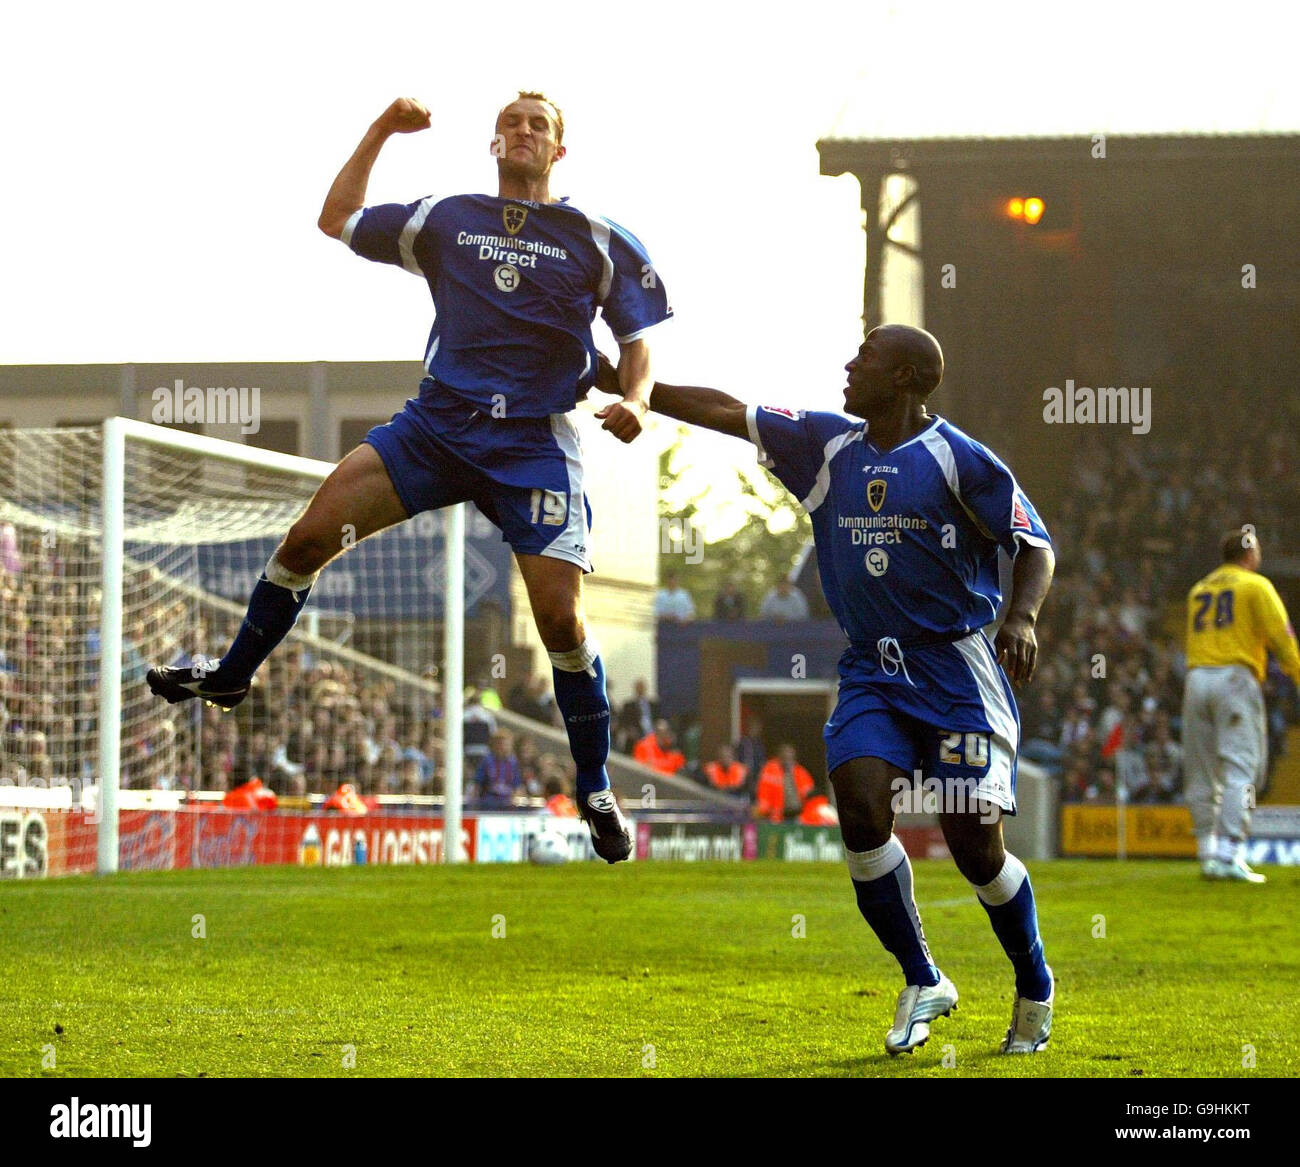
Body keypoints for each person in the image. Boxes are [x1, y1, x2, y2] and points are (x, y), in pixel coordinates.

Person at [147, 92, 672, 863]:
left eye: (540, 125)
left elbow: (637, 336)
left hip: (534, 443)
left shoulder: (596, 238)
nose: (523, 131)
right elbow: (337, 218)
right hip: (438, 427)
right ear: (493, 141)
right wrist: (381, 130)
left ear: (559, 151)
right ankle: (231, 675)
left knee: (560, 621)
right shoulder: (446, 218)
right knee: (306, 538)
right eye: (512, 121)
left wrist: (637, 399)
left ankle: (594, 783)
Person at [601, 324, 1056, 1055]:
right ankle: (922, 975)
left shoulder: (960, 459)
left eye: (867, 357)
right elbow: (728, 412)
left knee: (975, 850)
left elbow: (1034, 542)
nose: (850, 365)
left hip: (955, 669)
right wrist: (628, 385)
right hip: (872, 669)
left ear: (905, 376)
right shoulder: (825, 443)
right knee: (861, 803)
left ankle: (1033, 980)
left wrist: (1023, 615)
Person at [1182, 527, 1300, 882]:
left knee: (1201, 771)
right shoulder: (1255, 585)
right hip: (1235, 679)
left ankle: (1207, 855)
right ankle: (1230, 853)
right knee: (1240, 769)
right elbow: (1283, 638)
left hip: (1196, 678)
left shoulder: (1199, 589)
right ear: (1251, 556)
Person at [754, 744, 814, 821]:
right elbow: (763, 793)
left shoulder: (800, 772)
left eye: (790, 758)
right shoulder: (770, 769)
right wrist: (765, 811)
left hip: (796, 814)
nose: (787, 760)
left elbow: (809, 794)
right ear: (779, 757)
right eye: (785, 757)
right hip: (772, 815)